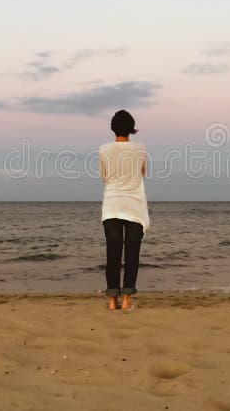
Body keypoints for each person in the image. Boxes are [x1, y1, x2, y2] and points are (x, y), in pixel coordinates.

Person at [98, 109, 150, 311]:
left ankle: (113, 301)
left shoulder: (103, 149)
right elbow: (143, 173)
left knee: (113, 255)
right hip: (134, 207)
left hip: (112, 206)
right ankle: (127, 299)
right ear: (131, 128)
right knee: (131, 255)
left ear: (113, 128)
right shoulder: (141, 148)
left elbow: (104, 177)